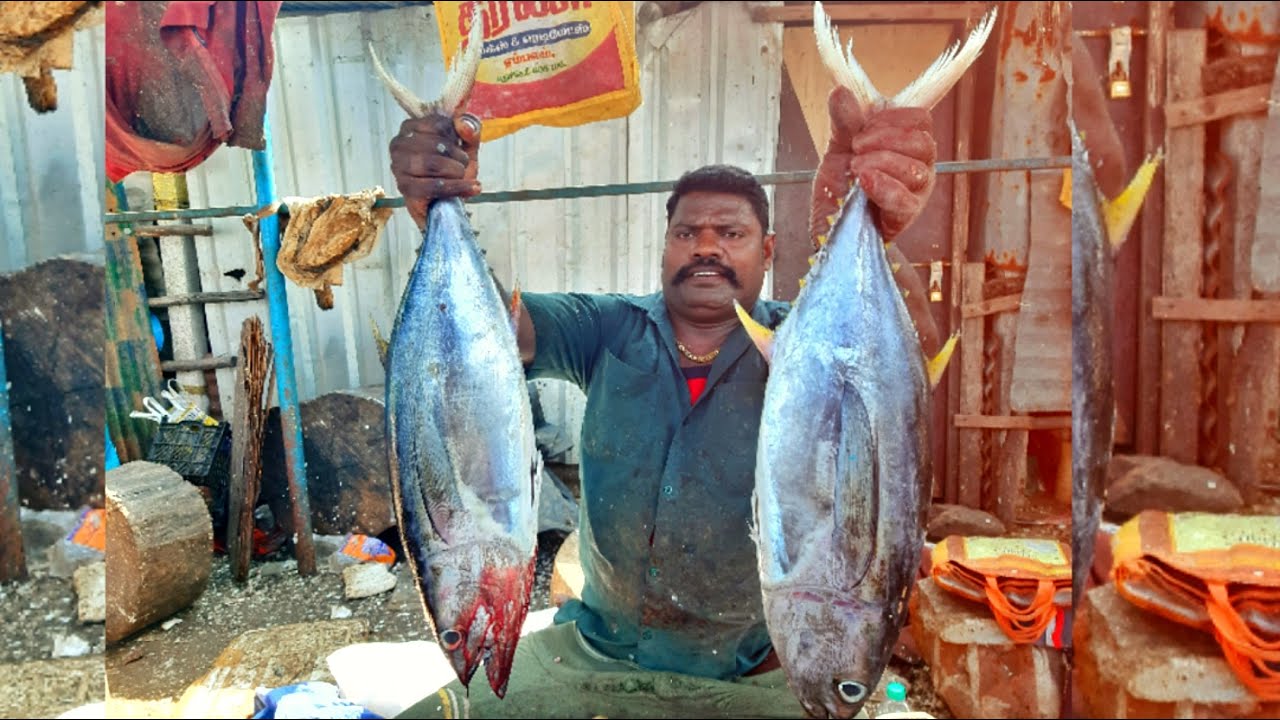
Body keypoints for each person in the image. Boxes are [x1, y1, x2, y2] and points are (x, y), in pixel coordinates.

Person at [387, 85, 941, 719]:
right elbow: (490, 342)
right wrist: (434, 206)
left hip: (747, 674)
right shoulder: (608, 327)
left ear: (768, 251)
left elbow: (903, 386)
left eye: (730, 232)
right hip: (593, 655)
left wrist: (879, 234)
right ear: (664, 249)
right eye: (687, 232)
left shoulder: (809, 352)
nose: (706, 246)